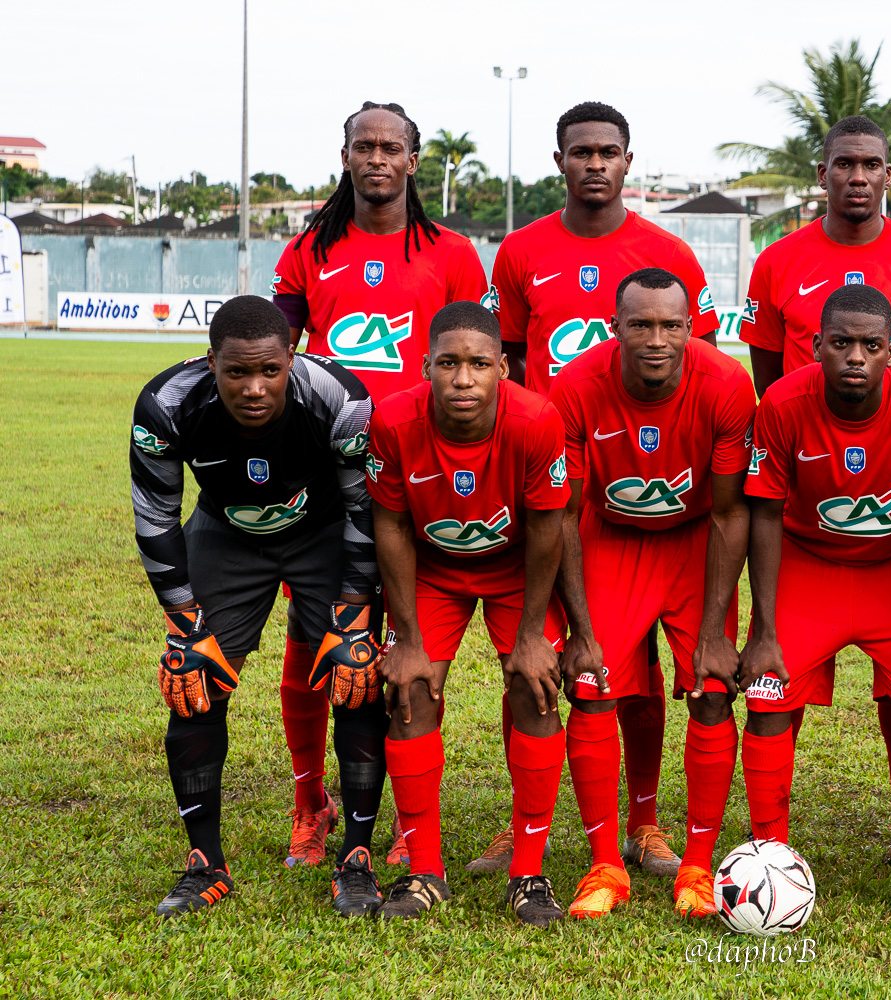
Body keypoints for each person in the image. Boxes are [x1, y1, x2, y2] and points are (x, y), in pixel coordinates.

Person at [475, 101, 721, 878]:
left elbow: (694, 376)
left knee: (643, 669)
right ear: (560, 160)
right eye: (580, 151)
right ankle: (528, 823)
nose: (594, 164)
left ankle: (644, 825)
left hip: (654, 489)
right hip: (557, 489)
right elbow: (505, 363)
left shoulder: (669, 253)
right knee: (555, 658)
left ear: (627, 160)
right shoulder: (519, 251)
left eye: (608, 151)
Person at [739, 113, 891, 876]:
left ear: (888, 171)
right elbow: (770, 377)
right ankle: (768, 849)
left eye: (872, 163)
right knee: (772, 693)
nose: (859, 177)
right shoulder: (777, 262)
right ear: (823, 171)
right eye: (845, 164)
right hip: (808, 522)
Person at [270, 100, 488, 869]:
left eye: (391, 147)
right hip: (330, 477)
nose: (376, 158)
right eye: (364, 145)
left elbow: (480, 364)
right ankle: (310, 805)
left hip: (421, 474)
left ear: (413, 161)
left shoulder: (453, 253)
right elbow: (277, 354)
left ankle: (406, 815)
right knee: (313, 648)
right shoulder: (309, 250)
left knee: (407, 649)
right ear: (345, 155)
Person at [132, 296, 386, 917]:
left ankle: (356, 858)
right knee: (191, 679)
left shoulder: (339, 398)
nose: (254, 388)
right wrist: (185, 622)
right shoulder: (165, 405)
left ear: (291, 359)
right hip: (225, 533)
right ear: (209, 361)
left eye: (269, 371)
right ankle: (205, 864)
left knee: (356, 678)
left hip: (325, 532)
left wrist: (354, 610)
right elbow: (156, 517)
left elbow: (365, 511)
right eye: (236, 372)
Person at [737, 284, 891, 928]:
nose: (855, 357)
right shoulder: (782, 402)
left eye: (870, 345)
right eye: (841, 344)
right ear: (815, 347)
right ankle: (768, 856)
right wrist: (765, 628)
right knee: (768, 695)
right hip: (810, 565)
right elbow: (764, 513)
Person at [550, 267, 755, 919]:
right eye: (640, 324)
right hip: (609, 541)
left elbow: (728, 515)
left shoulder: (726, 385)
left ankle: (696, 866)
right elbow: (563, 515)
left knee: (712, 690)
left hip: (695, 544)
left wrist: (720, 631)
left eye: (671, 324)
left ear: (695, 328)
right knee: (592, 688)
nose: (656, 338)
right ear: (616, 328)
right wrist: (581, 629)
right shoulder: (576, 385)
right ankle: (605, 864)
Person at [366, 302, 570, 923]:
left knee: (535, 689)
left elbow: (547, 528)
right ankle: (424, 871)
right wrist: (403, 637)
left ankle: (528, 873)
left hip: (515, 570)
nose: (463, 379)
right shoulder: (394, 421)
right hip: (432, 570)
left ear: (502, 368)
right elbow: (392, 526)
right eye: (448, 363)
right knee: (410, 688)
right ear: (424, 364)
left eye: (478, 364)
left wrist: (533, 633)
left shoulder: (536, 419)